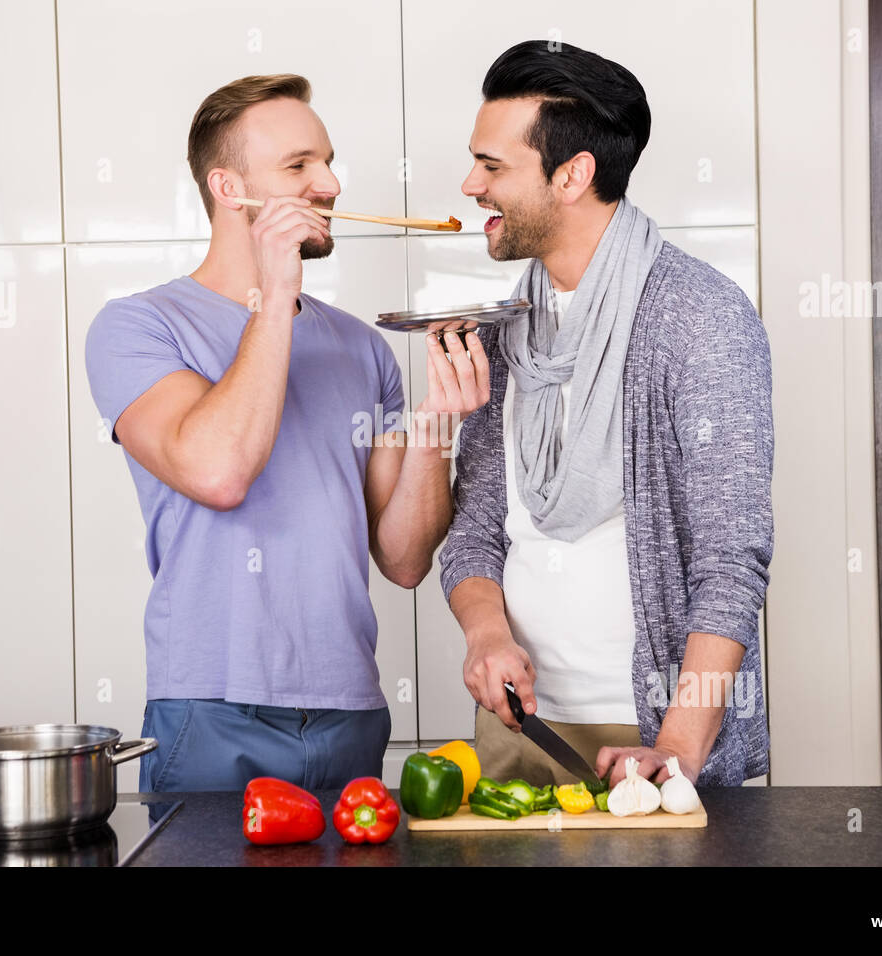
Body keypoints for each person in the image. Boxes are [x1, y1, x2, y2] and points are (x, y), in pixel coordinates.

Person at [84, 73, 489, 798]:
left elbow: (401, 559)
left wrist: (435, 427)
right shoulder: (137, 327)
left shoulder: (362, 349)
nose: (329, 184)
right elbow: (218, 472)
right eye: (299, 166)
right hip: (210, 707)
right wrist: (276, 297)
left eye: (328, 161)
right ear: (229, 189)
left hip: (352, 711)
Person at [439, 41, 774, 790]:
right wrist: (487, 635)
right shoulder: (503, 328)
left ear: (573, 175)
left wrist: (678, 749)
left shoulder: (699, 318)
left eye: (492, 167)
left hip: (654, 737)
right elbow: (475, 530)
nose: (470, 184)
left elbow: (731, 557)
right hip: (520, 730)